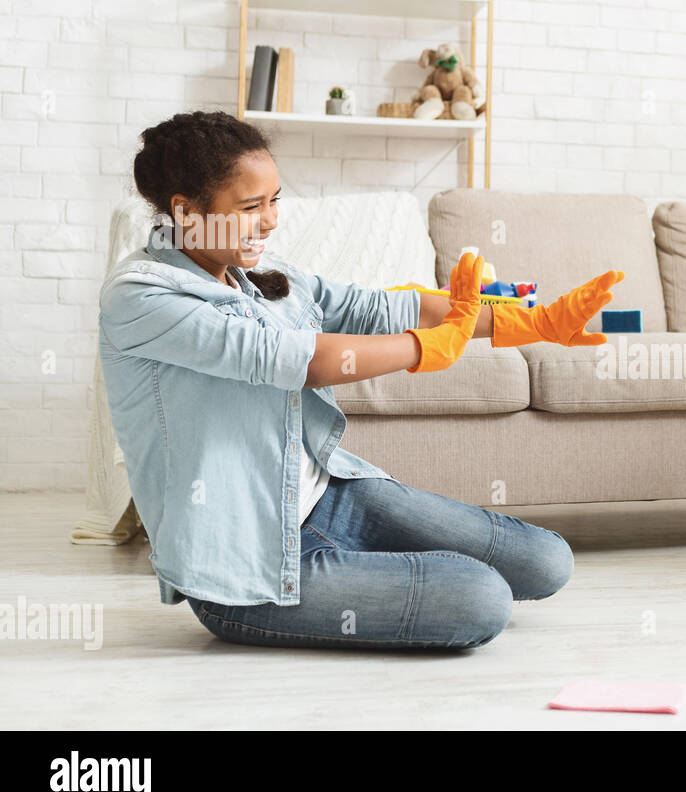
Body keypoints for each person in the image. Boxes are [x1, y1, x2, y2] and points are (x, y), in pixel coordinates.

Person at [100, 109, 623, 649]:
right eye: (251, 206)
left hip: (328, 499)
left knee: (544, 560)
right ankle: (373, 579)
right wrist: (423, 350)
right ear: (187, 211)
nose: (271, 220)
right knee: (480, 598)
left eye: (274, 200)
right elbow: (297, 358)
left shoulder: (256, 272)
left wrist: (528, 321)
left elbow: (372, 308)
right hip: (246, 568)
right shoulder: (142, 297)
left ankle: (369, 571)